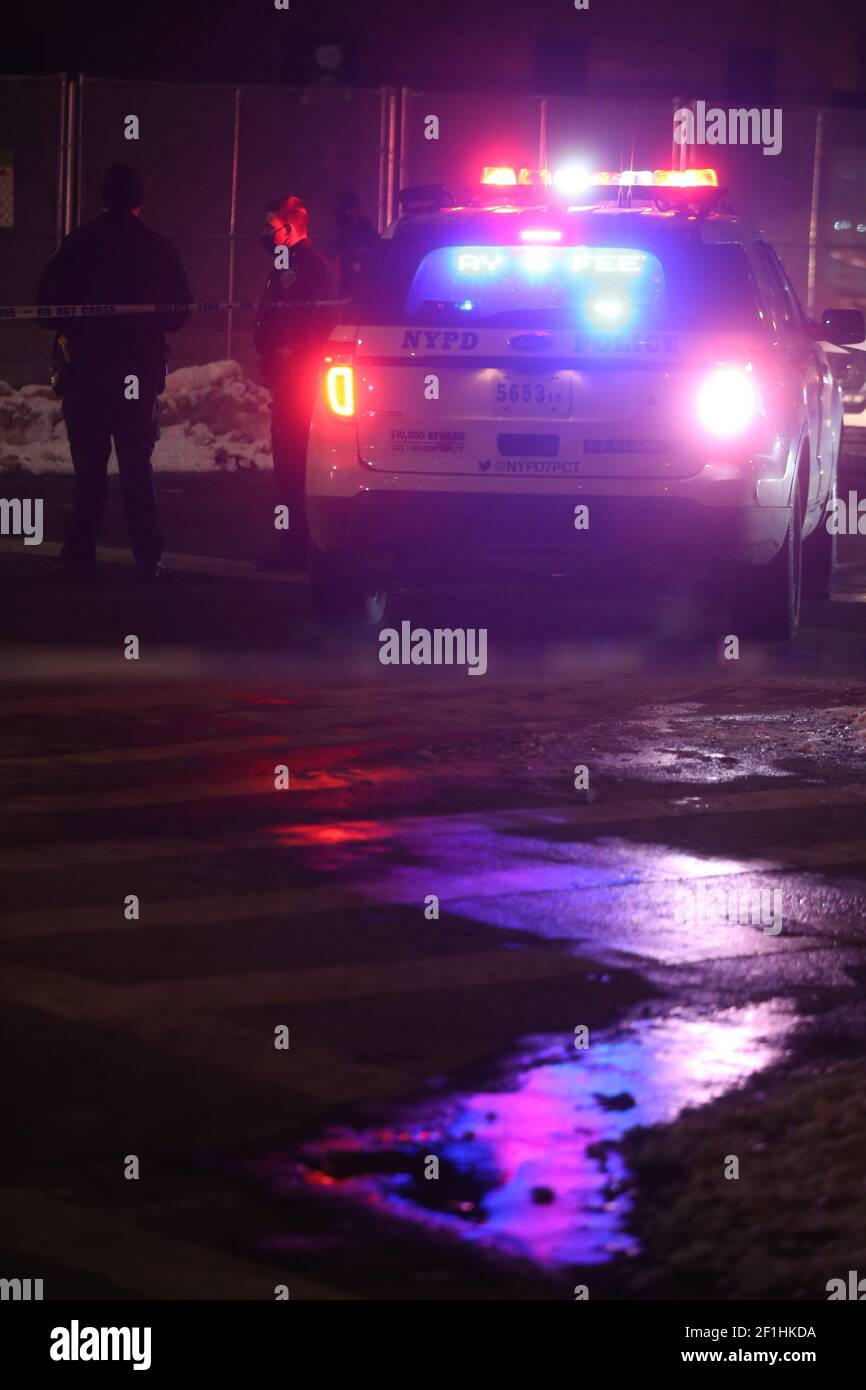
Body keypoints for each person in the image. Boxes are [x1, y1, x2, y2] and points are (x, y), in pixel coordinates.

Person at [36, 163, 192, 580]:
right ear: (139, 201)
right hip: (136, 376)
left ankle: (78, 554)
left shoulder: (78, 243)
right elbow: (180, 310)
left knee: (88, 470)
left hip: (86, 371)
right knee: (136, 467)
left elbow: (46, 306)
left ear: (102, 199)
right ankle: (147, 556)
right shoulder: (158, 247)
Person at [255, 195, 337, 568]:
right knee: (287, 466)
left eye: (272, 228)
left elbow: (314, 322)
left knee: (295, 467)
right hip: (289, 377)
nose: (266, 235)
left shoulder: (309, 266)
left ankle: (298, 546)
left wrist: (291, 353)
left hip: (302, 378)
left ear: (291, 227)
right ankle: (293, 542)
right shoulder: (286, 262)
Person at [333, 192, 379, 298]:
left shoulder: (368, 232)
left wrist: (362, 264)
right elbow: (340, 257)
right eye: (345, 210)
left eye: (349, 210)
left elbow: (375, 257)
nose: (347, 213)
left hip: (363, 286)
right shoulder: (343, 233)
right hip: (346, 284)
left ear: (356, 210)